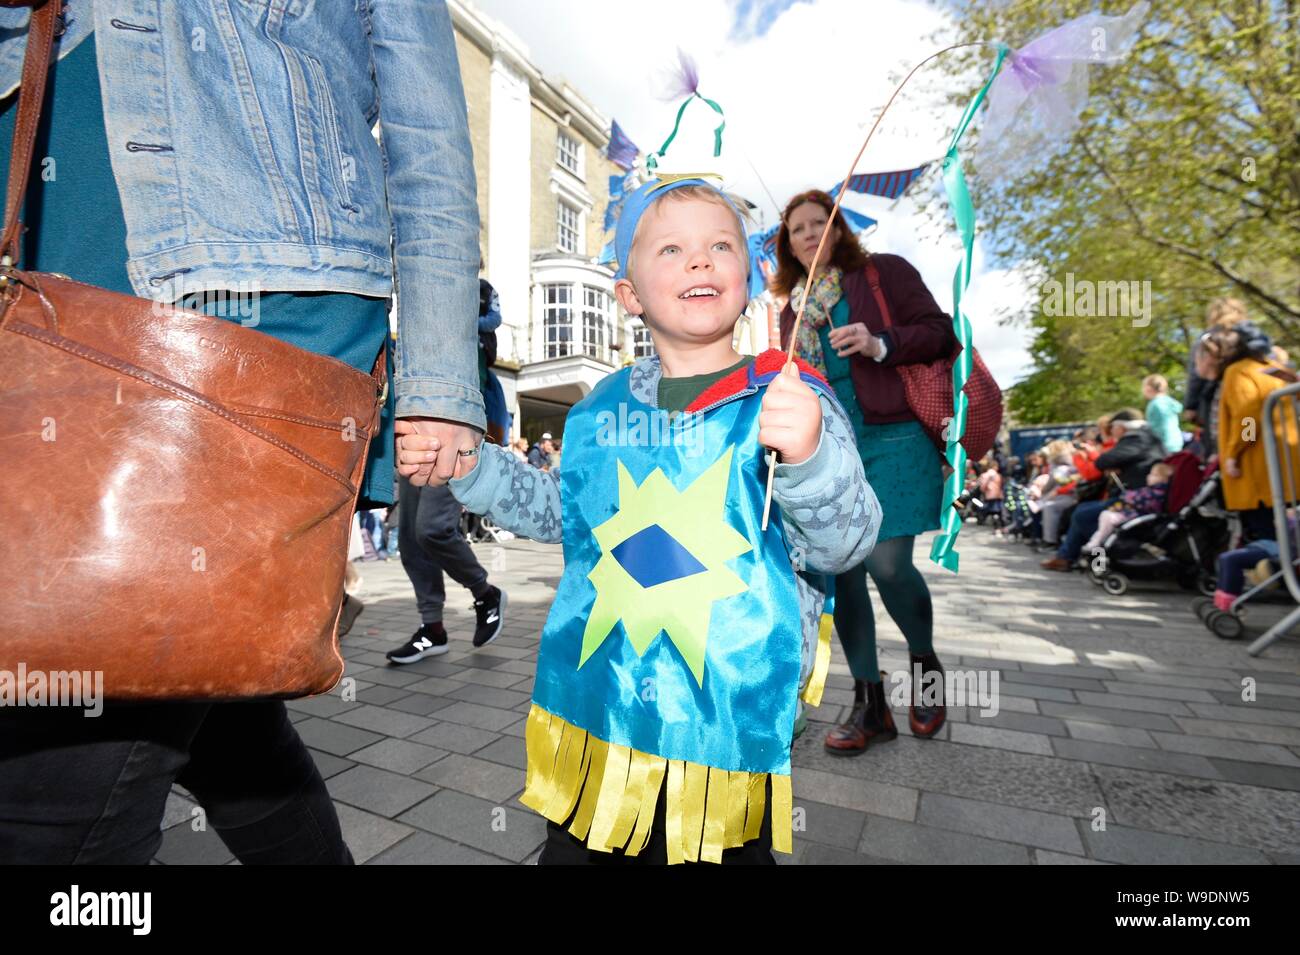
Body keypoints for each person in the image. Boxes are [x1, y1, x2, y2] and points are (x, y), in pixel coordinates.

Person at [0, 1, 481, 864]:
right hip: (40, 256)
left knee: (59, 766)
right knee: (218, 698)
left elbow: (428, 137)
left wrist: (441, 376)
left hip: (242, 301)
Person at [397, 177, 882, 863]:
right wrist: (474, 465)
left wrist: (807, 457)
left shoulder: (789, 395)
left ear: (750, 274)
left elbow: (845, 541)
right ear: (629, 295)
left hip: (721, 729)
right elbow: (562, 512)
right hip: (604, 708)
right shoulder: (600, 408)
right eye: (672, 249)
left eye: (720, 245)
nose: (700, 260)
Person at [773, 189, 957, 754]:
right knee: (842, 570)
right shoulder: (790, 309)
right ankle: (870, 703)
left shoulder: (883, 274)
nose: (808, 234)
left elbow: (941, 331)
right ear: (787, 243)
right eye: (796, 228)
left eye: (817, 223)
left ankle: (925, 667)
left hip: (893, 437)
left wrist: (881, 344)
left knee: (887, 561)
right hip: (829, 446)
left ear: (838, 229)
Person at [1206, 326, 1300, 541]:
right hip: (1288, 467)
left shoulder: (1238, 371)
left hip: (1257, 471)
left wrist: (1234, 454)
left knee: (1268, 537)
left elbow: (1247, 417)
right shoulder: (1274, 368)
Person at [1042, 410, 1166, 571]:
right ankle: (1069, 557)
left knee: (1084, 514)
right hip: (1138, 498)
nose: (1111, 431)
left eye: (1113, 427)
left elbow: (1103, 461)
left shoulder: (1136, 439)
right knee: (1083, 512)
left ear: (1122, 427)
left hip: (1138, 500)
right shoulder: (1146, 438)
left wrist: (1097, 457)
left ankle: (1096, 559)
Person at [1082, 462, 1173, 553]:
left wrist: (1126, 495)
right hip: (1134, 514)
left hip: (1138, 518)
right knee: (1106, 514)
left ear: (1164, 480)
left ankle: (1097, 542)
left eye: (1154, 475)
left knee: (1106, 516)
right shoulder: (1152, 490)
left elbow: (1139, 500)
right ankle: (1099, 540)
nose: (1148, 476)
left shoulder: (1156, 493)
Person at [1142, 374, 1184, 453]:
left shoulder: (1154, 404)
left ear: (1148, 388)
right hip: (1176, 443)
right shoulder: (1169, 401)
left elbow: (1158, 428)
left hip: (1162, 446)